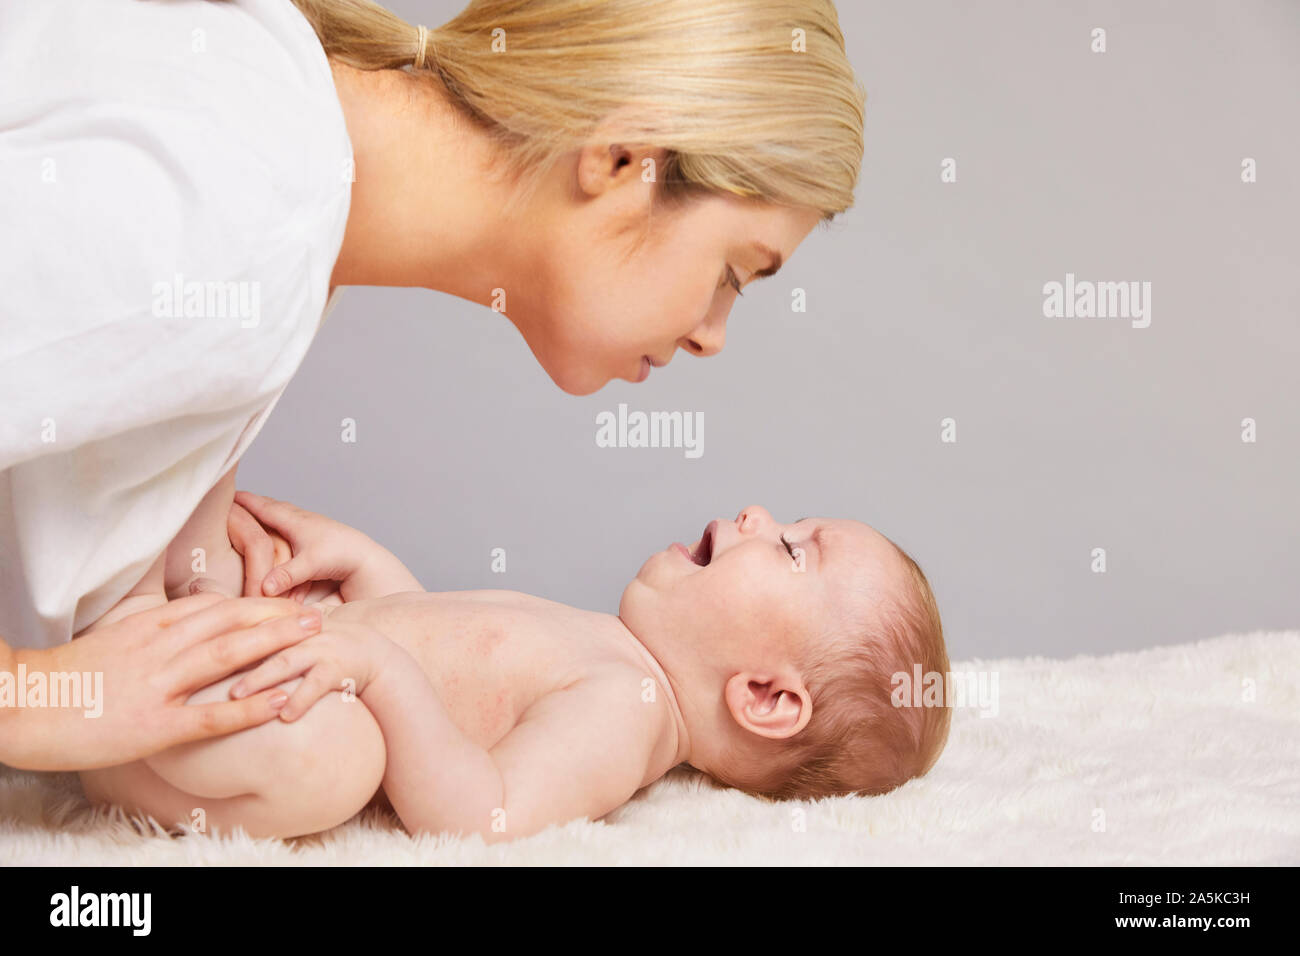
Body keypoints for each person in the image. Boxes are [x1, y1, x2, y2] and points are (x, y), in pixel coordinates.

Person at [0, 0, 865, 770]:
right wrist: (47, 701)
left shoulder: (279, 163)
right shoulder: (241, 217)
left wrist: (175, 545)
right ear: (625, 158)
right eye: (735, 274)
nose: (714, 337)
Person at [81, 494, 950, 841]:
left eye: (794, 549)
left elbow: (483, 811)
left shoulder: (628, 716)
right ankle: (133, 615)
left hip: (269, 716)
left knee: (335, 761)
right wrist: (371, 575)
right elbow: (457, 673)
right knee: (237, 543)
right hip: (281, 662)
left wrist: (375, 667)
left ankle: (116, 705)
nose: (761, 512)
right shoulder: (610, 649)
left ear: (764, 696)